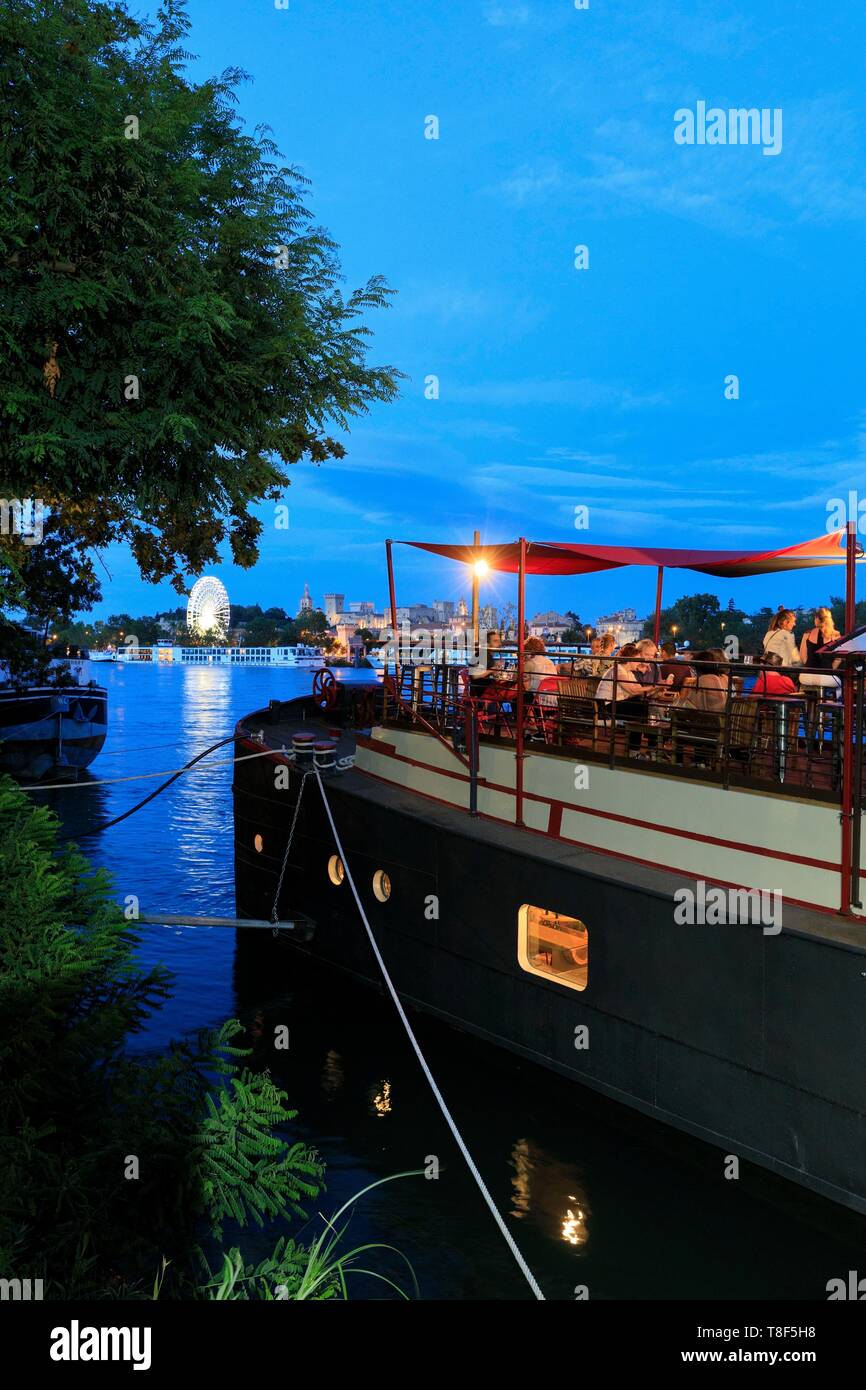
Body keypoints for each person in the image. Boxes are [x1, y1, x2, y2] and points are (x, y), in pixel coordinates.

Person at [798, 606, 842, 696]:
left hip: (807, 675)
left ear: (817, 619)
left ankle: (809, 705)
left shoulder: (807, 634)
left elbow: (803, 656)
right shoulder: (836, 635)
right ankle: (833, 706)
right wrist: (830, 669)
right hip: (826, 675)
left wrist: (810, 666)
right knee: (839, 684)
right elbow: (838, 658)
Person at [523, 636, 558, 708]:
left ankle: (524, 718)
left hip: (539, 701)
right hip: (554, 702)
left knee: (517, 696)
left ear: (528, 650)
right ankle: (531, 717)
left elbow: (520, 679)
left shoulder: (530, 663)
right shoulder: (550, 662)